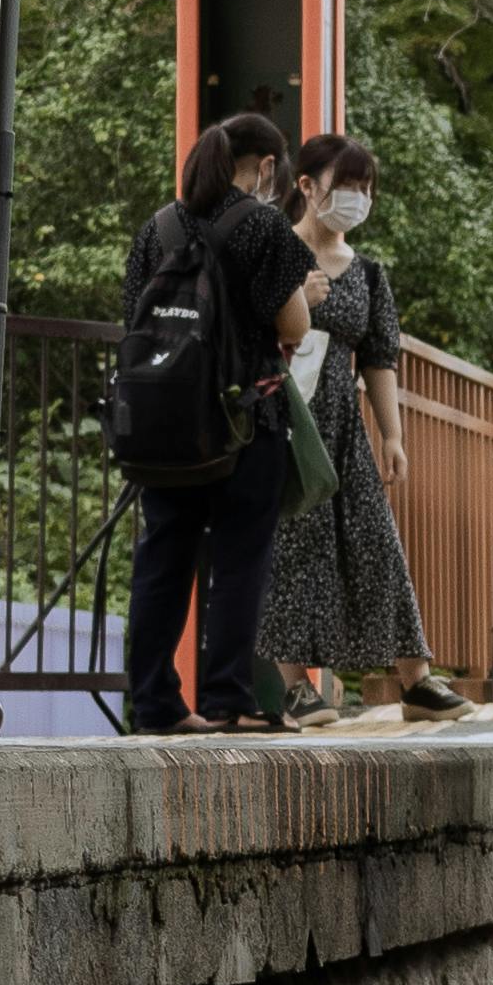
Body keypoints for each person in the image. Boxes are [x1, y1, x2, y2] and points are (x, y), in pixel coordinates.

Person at [120, 112, 320, 735]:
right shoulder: (264, 225)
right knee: (237, 559)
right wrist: (301, 302)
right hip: (243, 419)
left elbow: (133, 313)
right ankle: (226, 698)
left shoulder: (158, 227)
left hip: (165, 423)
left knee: (162, 557)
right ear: (266, 167)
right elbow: (293, 328)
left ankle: (154, 704)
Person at [264, 134, 465, 723]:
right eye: (345, 186)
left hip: (343, 427)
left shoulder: (369, 274)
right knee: (292, 550)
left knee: (377, 543)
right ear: (307, 187)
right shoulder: (273, 254)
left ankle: (416, 679)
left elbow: (380, 358)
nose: (356, 198)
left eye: (364, 188)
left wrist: (393, 435)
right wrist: (294, 297)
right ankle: (298, 688)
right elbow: (242, 328)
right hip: (283, 421)